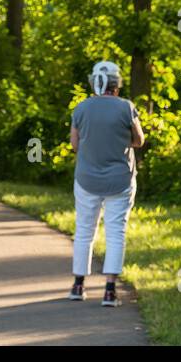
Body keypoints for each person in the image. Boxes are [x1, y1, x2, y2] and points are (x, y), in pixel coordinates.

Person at [68, 60, 145, 307]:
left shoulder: (80, 109)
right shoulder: (126, 108)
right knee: (115, 232)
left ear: (94, 83)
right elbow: (139, 140)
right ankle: (110, 291)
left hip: (87, 179)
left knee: (84, 231)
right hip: (120, 181)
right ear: (117, 84)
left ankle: (78, 285)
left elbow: (75, 145)